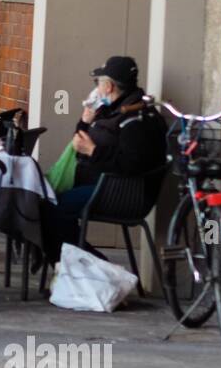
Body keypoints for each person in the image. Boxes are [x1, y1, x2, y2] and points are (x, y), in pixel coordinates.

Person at [50, 55, 167, 261]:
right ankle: (68, 264)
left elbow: (131, 163)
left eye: (98, 83)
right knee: (42, 202)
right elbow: (82, 142)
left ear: (109, 86)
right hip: (100, 183)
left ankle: (92, 265)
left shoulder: (135, 120)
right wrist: (84, 122)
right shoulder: (111, 110)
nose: (97, 88)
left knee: (55, 209)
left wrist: (93, 152)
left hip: (122, 193)